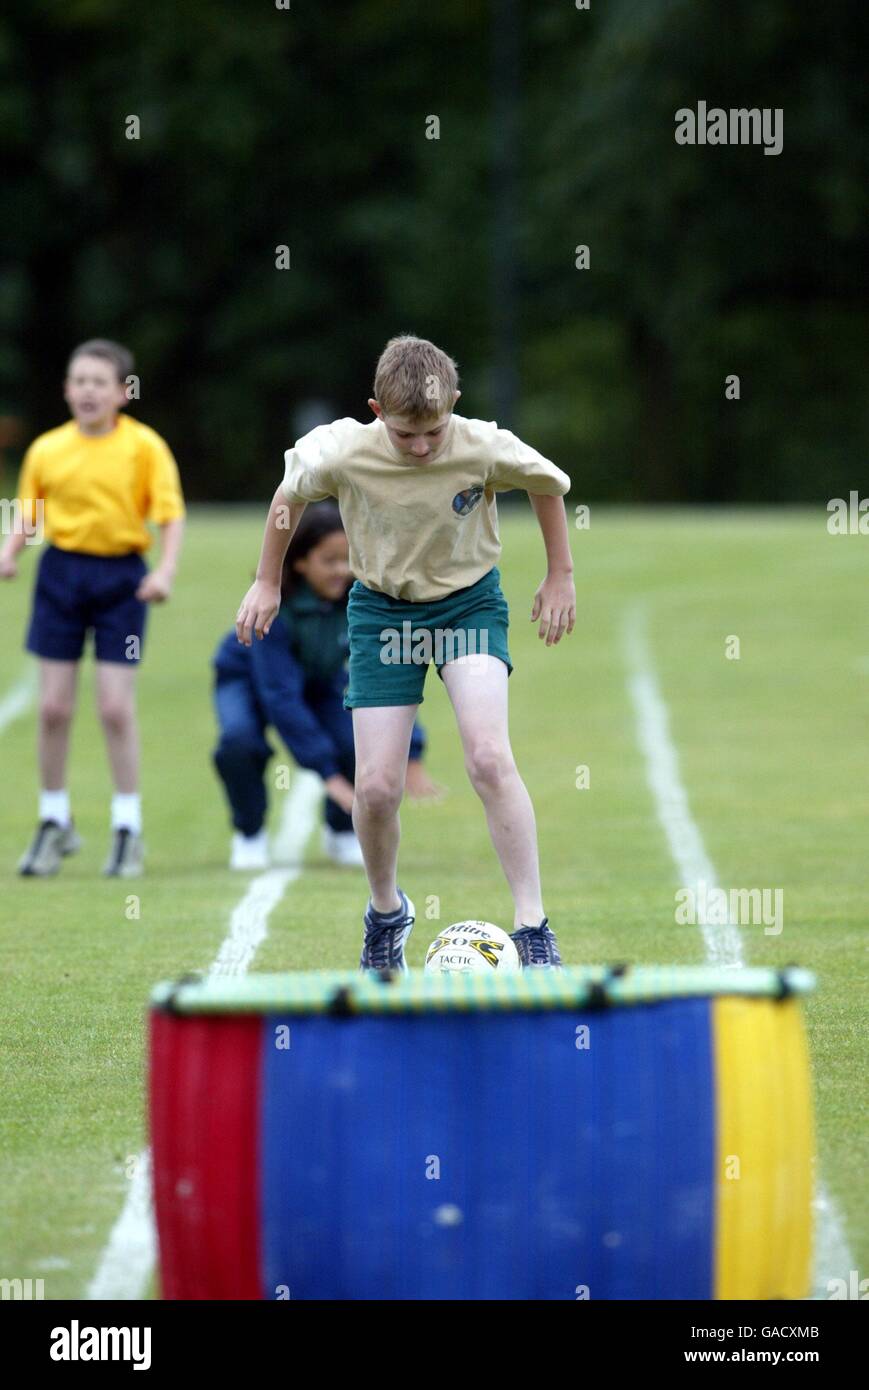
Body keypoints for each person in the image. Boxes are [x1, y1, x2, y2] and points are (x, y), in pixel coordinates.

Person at [235, 335, 574, 970]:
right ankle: (387, 913)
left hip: (467, 605)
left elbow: (547, 485)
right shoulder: (341, 450)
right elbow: (288, 500)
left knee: (489, 758)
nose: (420, 448)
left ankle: (533, 927)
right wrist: (267, 580)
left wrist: (561, 573)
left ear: (454, 404)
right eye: (404, 435)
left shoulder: (483, 444)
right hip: (382, 611)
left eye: (433, 433)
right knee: (379, 786)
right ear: (375, 410)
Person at [0, 338, 185, 877]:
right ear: (65, 389)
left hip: (122, 579)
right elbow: (29, 512)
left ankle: (127, 824)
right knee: (53, 707)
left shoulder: (145, 447)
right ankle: (54, 820)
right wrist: (10, 553)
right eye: (78, 381)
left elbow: (169, 515)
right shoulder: (47, 450)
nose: (87, 391)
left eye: (98, 382)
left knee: (113, 706)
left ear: (123, 393)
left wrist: (164, 570)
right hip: (60, 575)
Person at [212, 502, 440, 870]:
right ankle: (249, 833)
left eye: (348, 559)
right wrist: (328, 776)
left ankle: (341, 830)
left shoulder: (358, 599)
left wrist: (411, 752)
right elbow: (280, 697)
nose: (342, 570)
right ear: (300, 561)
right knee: (239, 742)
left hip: (318, 678)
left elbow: (385, 678)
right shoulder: (275, 610)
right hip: (250, 680)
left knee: (357, 737)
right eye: (329, 560)